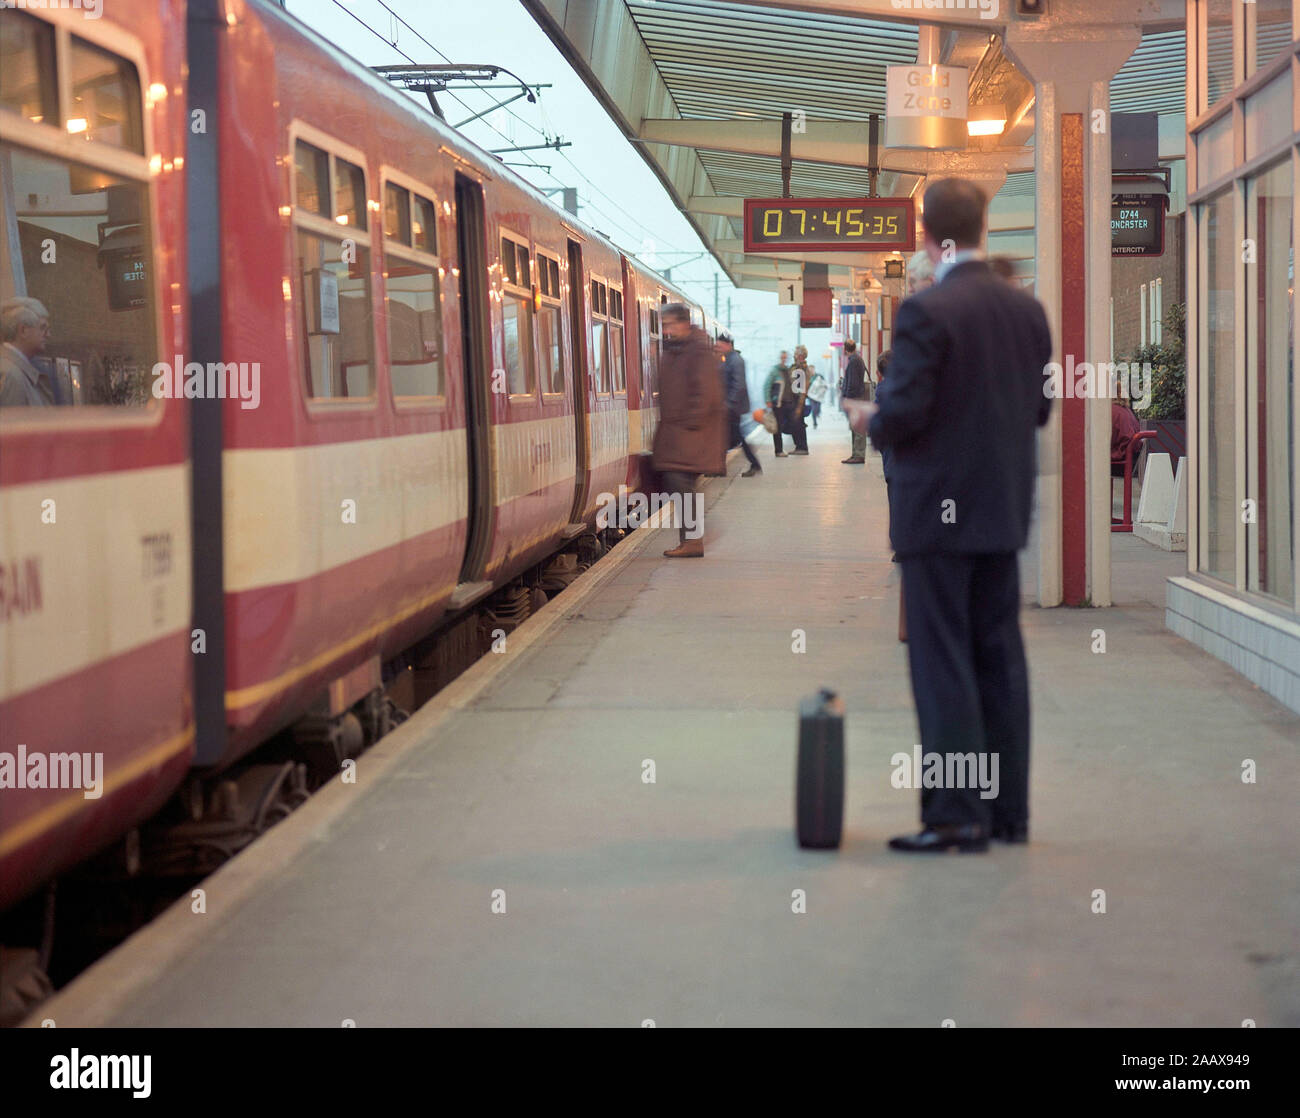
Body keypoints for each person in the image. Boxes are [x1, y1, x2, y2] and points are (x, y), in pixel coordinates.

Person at [845, 177, 1053, 854]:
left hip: (937, 517)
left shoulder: (926, 312)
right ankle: (1007, 814)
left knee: (943, 665)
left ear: (928, 235)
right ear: (984, 226)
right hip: (1000, 513)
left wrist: (869, 417)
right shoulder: (1027, 313)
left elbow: (903, 414)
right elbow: (1040, 410)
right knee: (999, 656)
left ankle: (957, 816)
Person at [653, 303, 725, 558]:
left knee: (680, 485)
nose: (667, 329)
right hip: (680, 435)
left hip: (689, 436)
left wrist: (688, 424)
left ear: (684, 324)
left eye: (671, 324)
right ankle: (691, 539)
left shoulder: (697, 351)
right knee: (680, 487)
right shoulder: (679, 349)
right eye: (664, 325)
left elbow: (707, 393)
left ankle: (693, 541)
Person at [717, 331, 761, 478]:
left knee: (735, 437)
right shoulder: (728, 359)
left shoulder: (735, 360)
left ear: (728, 345)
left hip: (733, 407)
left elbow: (738, 385)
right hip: (731, 406)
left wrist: (728, 404)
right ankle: (719, 468)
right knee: (726, 437)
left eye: (720, 345)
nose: (718, 348)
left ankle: (754, 464)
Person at [0, 297, 55, 407]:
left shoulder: (13, 371)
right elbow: (14, 423)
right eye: (43, 328)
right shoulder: (11, 375)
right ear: (23, 331)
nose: (48, 335)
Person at [840, 338, 869, 464]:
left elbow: (852, 383)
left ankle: (858, 454)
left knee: (857, 428)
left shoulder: (853, 362)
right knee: (855, 427)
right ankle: (856, 453)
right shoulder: (857, 360)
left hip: (854, 398)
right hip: (857, 397)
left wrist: (847, 397)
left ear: (845, 350)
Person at [783, 345, 811, 455]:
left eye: (795, 353)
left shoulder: (800, 368)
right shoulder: (798, 367)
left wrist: (799, 405)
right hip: (795, 400)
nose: (794, 355)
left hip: (797, 400)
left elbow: (801, 388)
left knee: (798, 424)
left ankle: (802, 447)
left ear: (800, 355)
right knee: (798, 423)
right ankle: (800, 447)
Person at [764, 350, 791, 456]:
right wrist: (768, 400)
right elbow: (767, 386)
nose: (784, 359)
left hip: (787, 403)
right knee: (777, 427)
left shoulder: (788, 370)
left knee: (786, 424)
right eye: (782, 357)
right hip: (778, 403)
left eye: (785, 357)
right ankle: (778, 450)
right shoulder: (774, 371)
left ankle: (782, 449)